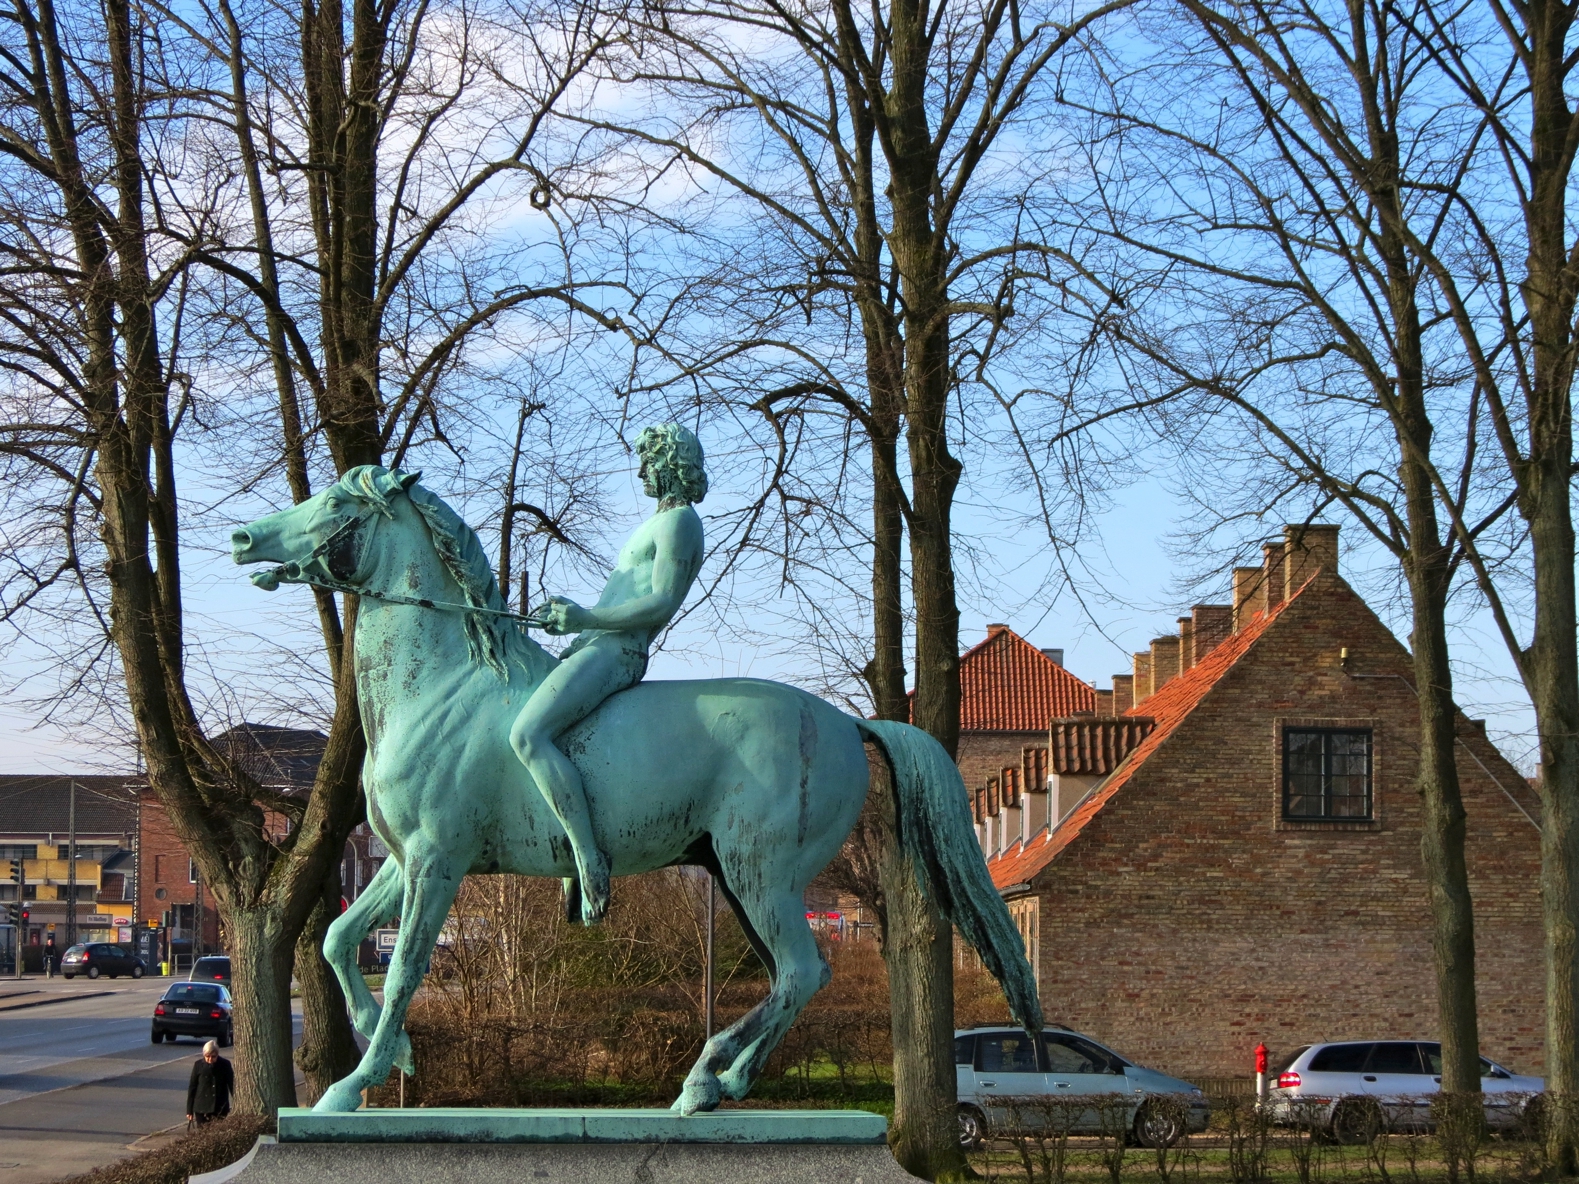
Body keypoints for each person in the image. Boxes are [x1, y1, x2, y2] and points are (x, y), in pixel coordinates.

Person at [513, 424, 707, 926]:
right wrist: (568, 628)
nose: (641, 470)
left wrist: (586, 620)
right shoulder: (653, 525)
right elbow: (614, 601)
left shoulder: (681, 522)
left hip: (618, 653)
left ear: (671, 463)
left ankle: (587, 858)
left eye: (648, 460)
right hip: (594, 646)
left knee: (529, 734)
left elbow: (660, 602)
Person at [186, 1040, 234, 1126]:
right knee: (203, 1134)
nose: (210, 1059)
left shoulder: (225, 1064)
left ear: (217, 1054)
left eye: (213, 1056)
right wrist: (189, 1110)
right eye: (207, 1056)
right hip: (201, 1107)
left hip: (220, 1107)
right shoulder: (198, 1065)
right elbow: (192, 1087)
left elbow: (232, 1085)